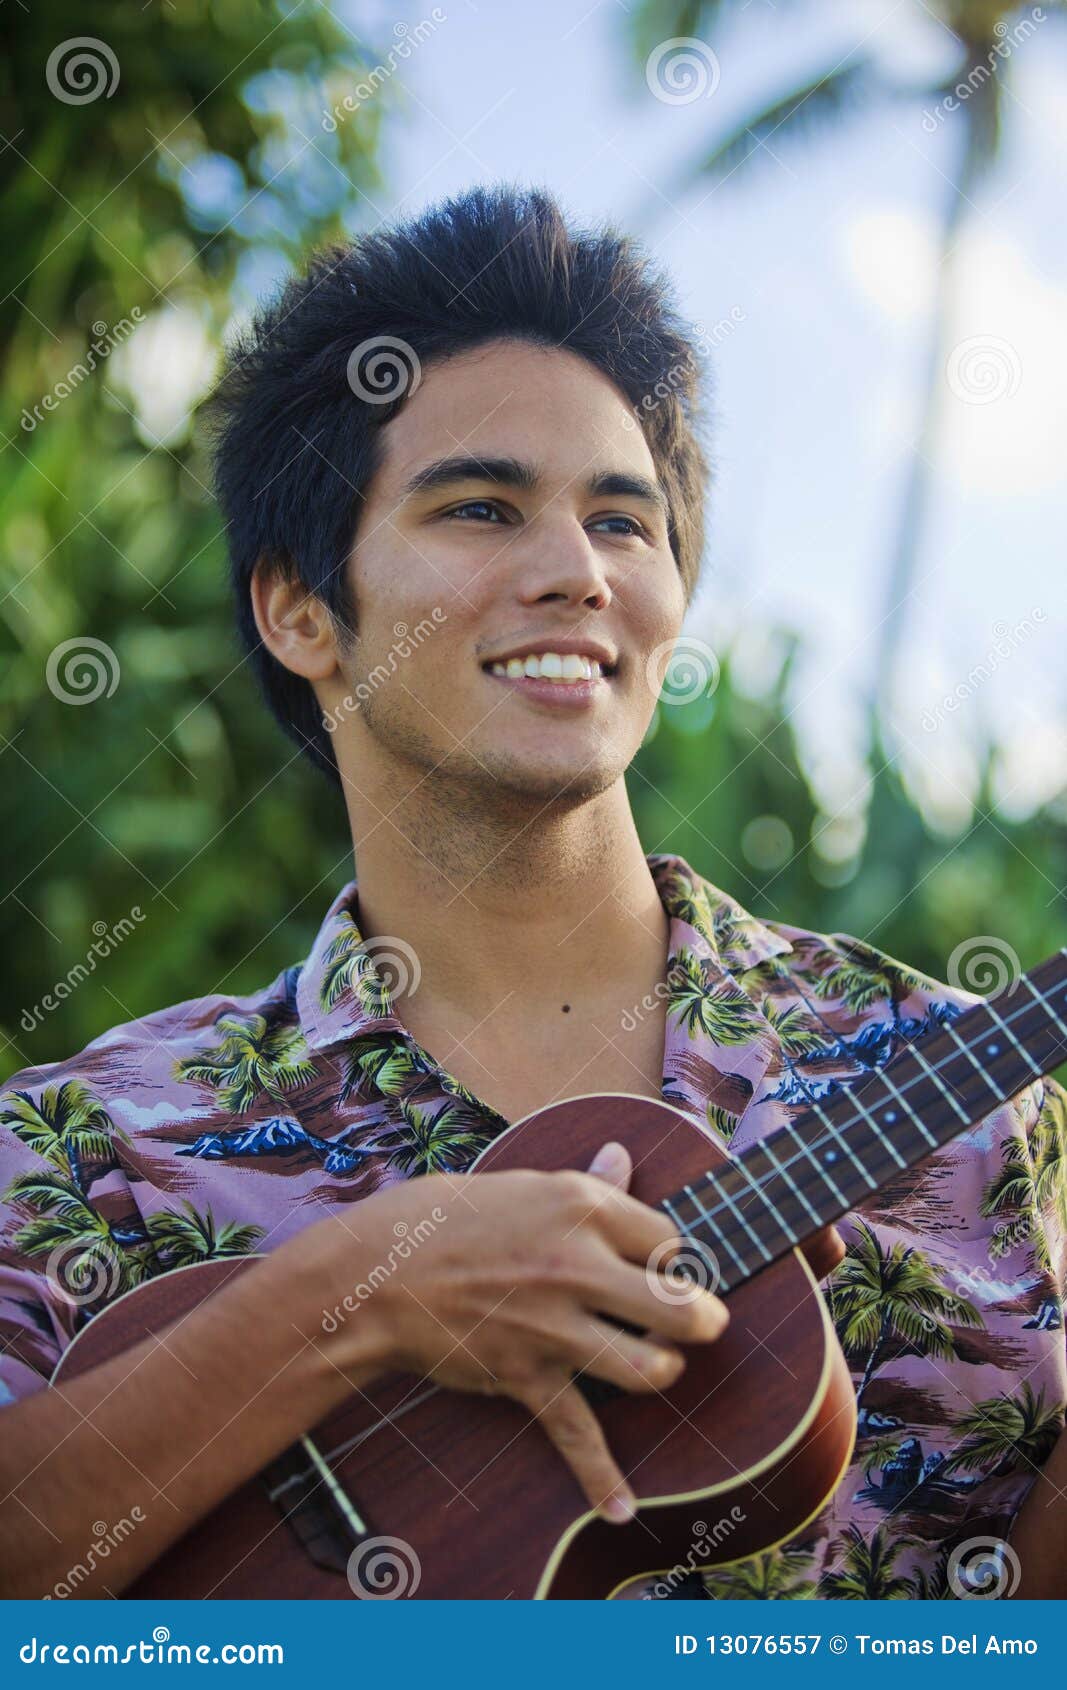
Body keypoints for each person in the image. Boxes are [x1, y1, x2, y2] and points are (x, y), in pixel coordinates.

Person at [0, 186, 1062, 1602]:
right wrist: (355, 1298)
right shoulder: (92, 1145)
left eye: (624, 523)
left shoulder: (964, 1090)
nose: (574, 572)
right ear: (300, 607)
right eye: (483, 506)